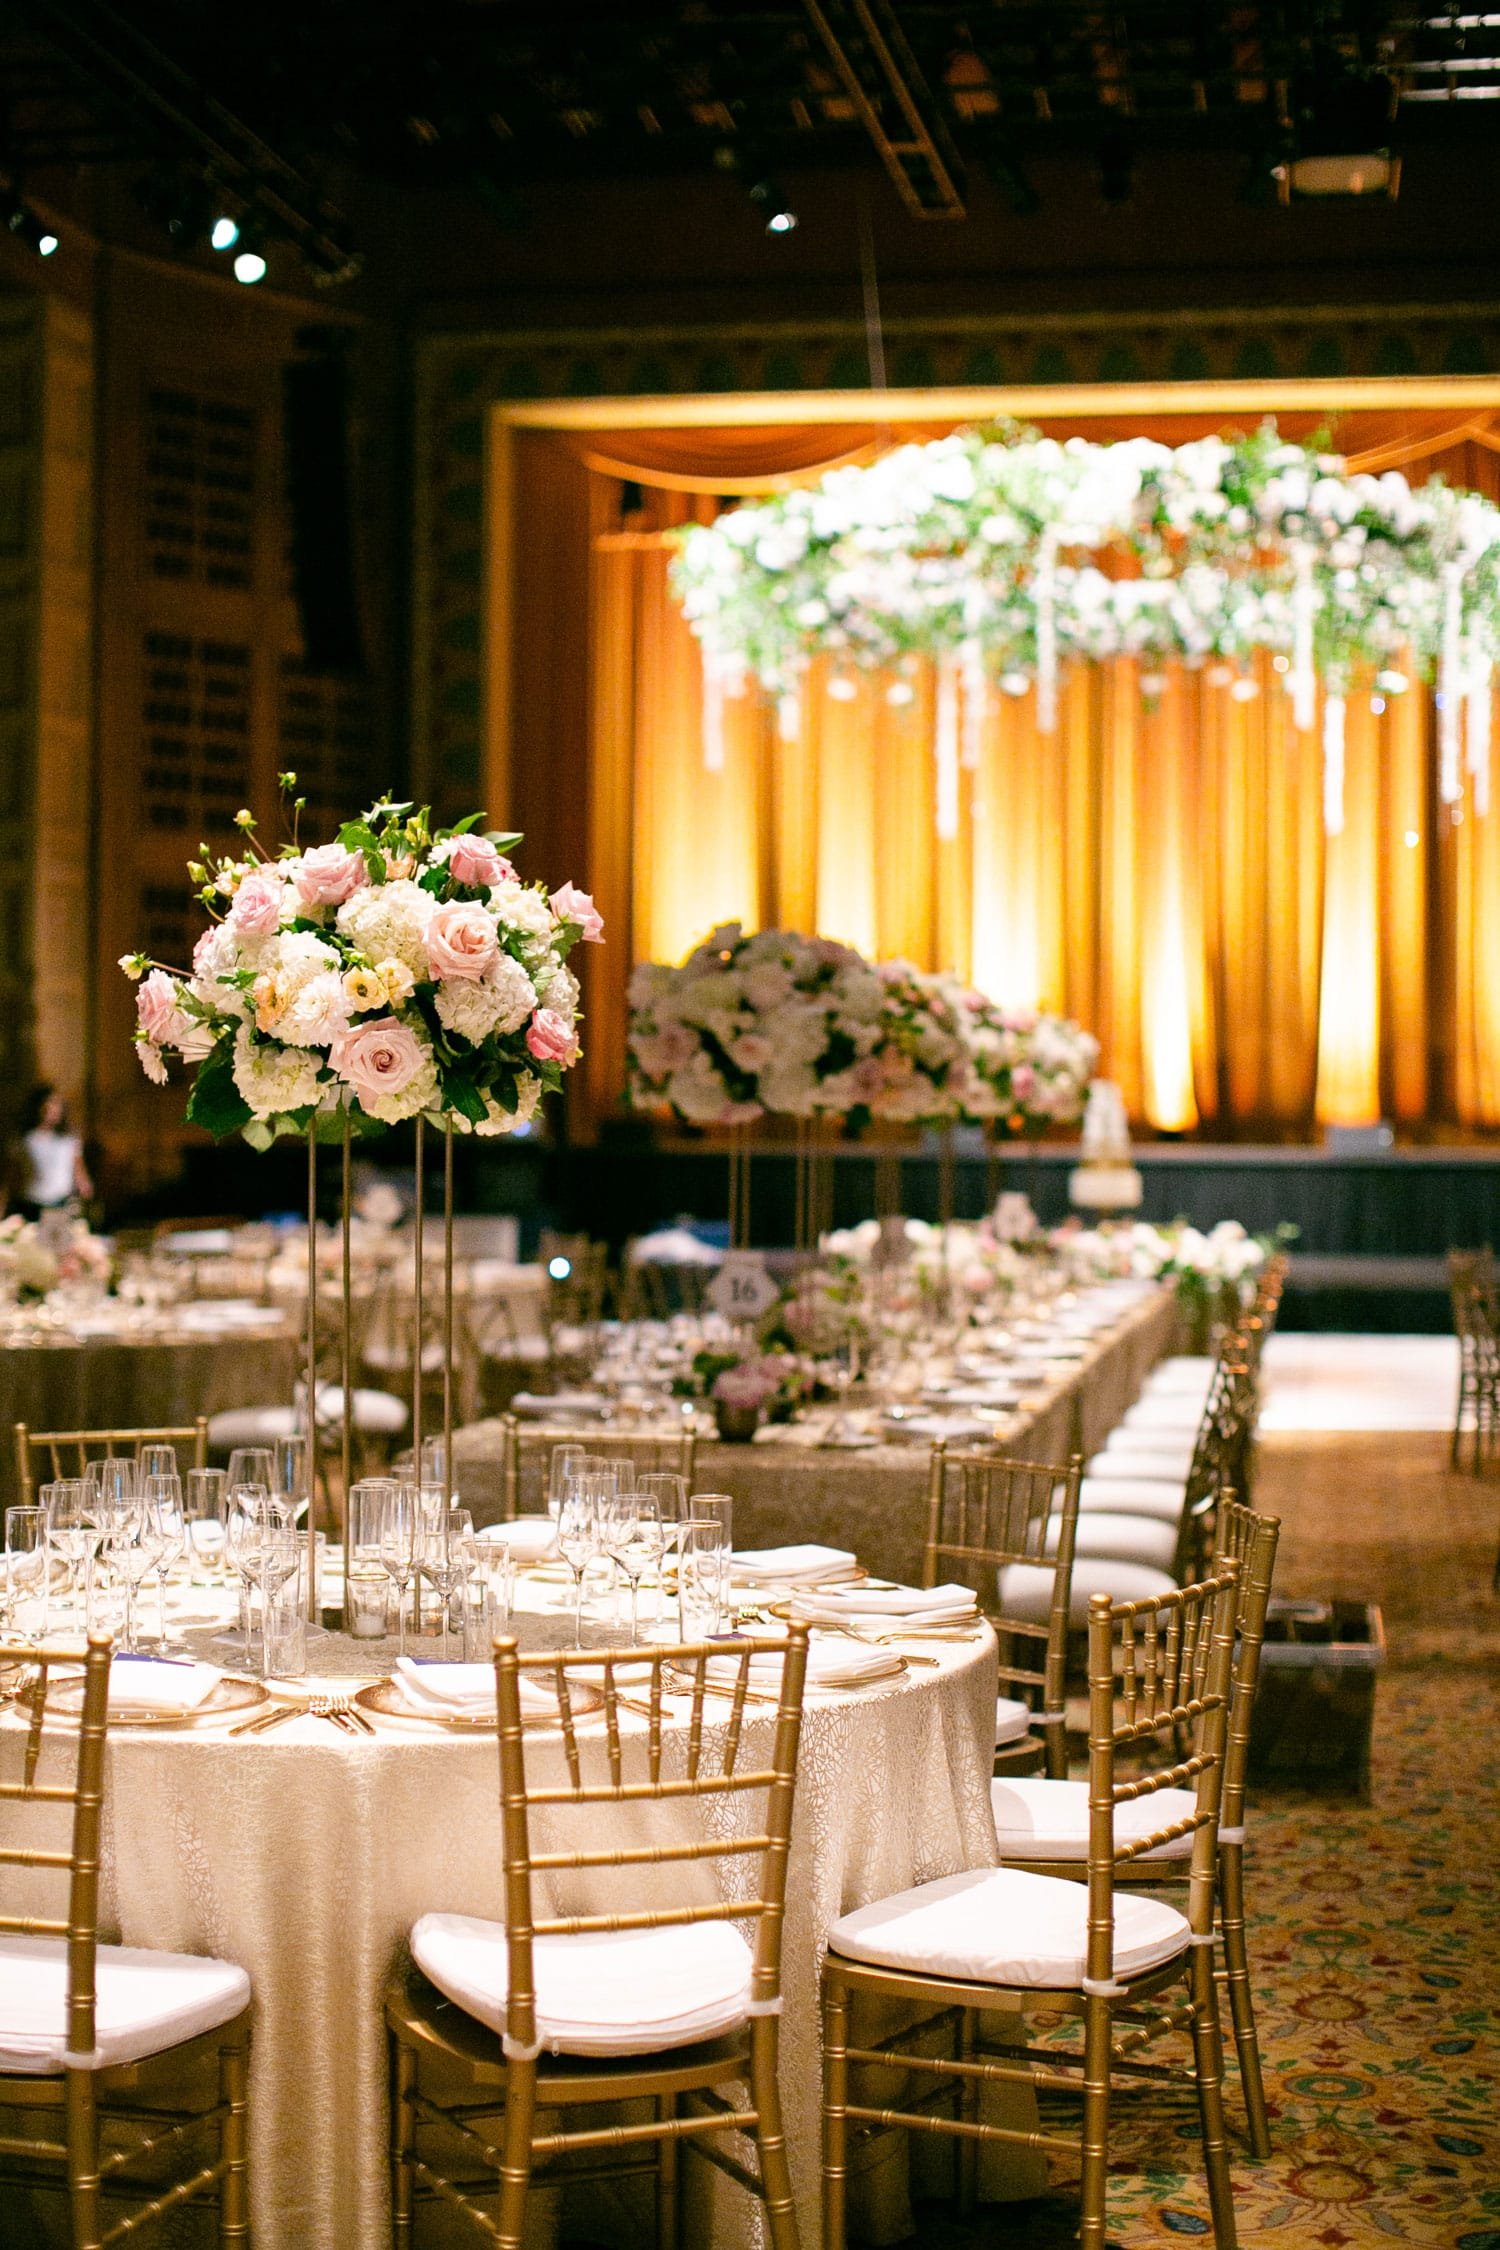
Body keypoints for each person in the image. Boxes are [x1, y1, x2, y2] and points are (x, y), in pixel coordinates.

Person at [9, 1086, 92, 1221]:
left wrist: (84, 1186)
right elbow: (12, 1174)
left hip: (61, 1203)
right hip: (31, 1204)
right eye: (47, 1105)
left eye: (56, 1105)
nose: (51, 1110)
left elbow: (78, 1168)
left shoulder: (68, 1140)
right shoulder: (24, 1140)